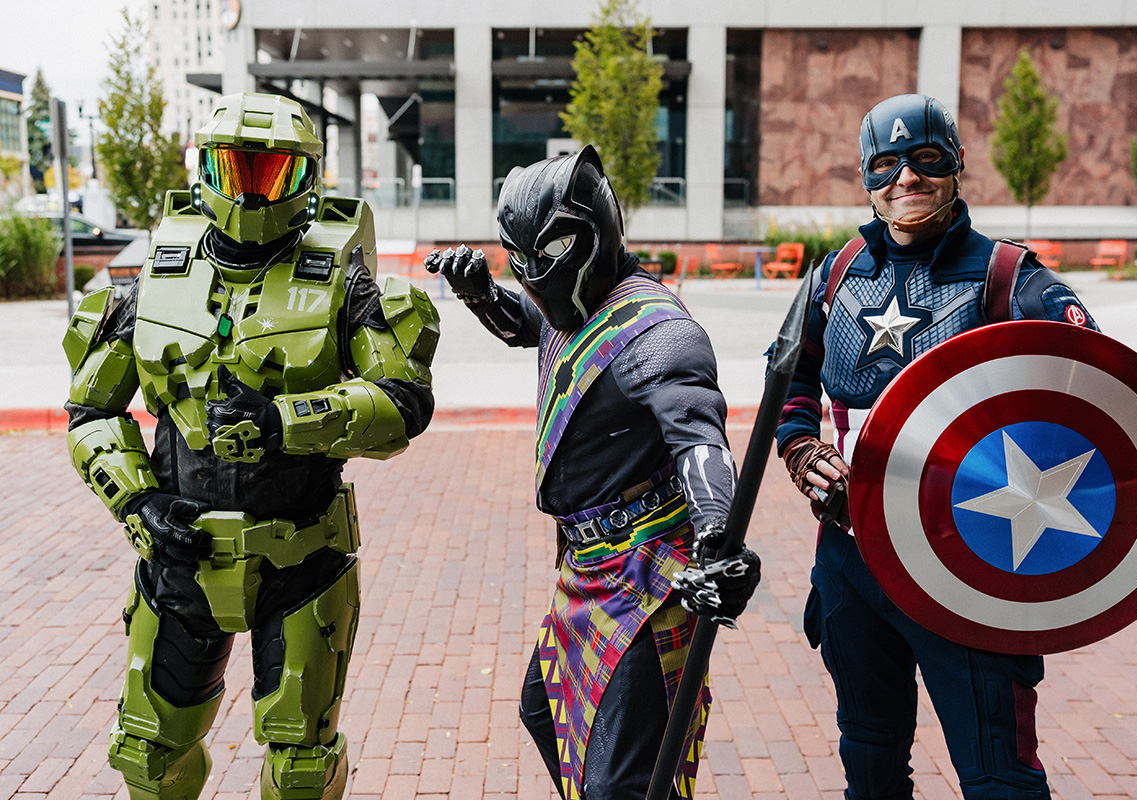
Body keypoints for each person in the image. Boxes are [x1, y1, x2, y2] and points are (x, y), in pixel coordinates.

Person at [63, 92, 439, 800]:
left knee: (300, 767)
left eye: (271, 174)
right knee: (147, 755)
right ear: (204, 172)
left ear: (307, 179)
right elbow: (90, 410)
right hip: (179, 559)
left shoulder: (347, 283)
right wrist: (138, 503)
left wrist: (288, 419)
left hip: (299, 559)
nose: (250, 193)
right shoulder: (155, 278)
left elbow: (403, 403)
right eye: (233, 171)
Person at [774, 94, 1098, 800]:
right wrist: (800, 450)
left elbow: (1098, 399)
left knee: (1000, 778)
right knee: (869, 760)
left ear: (956, 164)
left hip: (972, 570)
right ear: (865, 173)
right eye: (886, 164)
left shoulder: (1010, 279)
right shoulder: (835, 274)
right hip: (853, 559)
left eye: (925, 158)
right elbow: (791, 381)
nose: (906, 179)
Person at [424, 145, 760, 800]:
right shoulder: (577, 313)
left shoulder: (658, 334)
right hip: (587, 565)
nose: (534, 275)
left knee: (622, 784)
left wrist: (719, 530)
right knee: (543, 711)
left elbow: (699, 438)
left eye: (548, 253)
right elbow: (533, 326)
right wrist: (482, 294)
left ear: (594, 233)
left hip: (646, 573)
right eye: (519, 258)